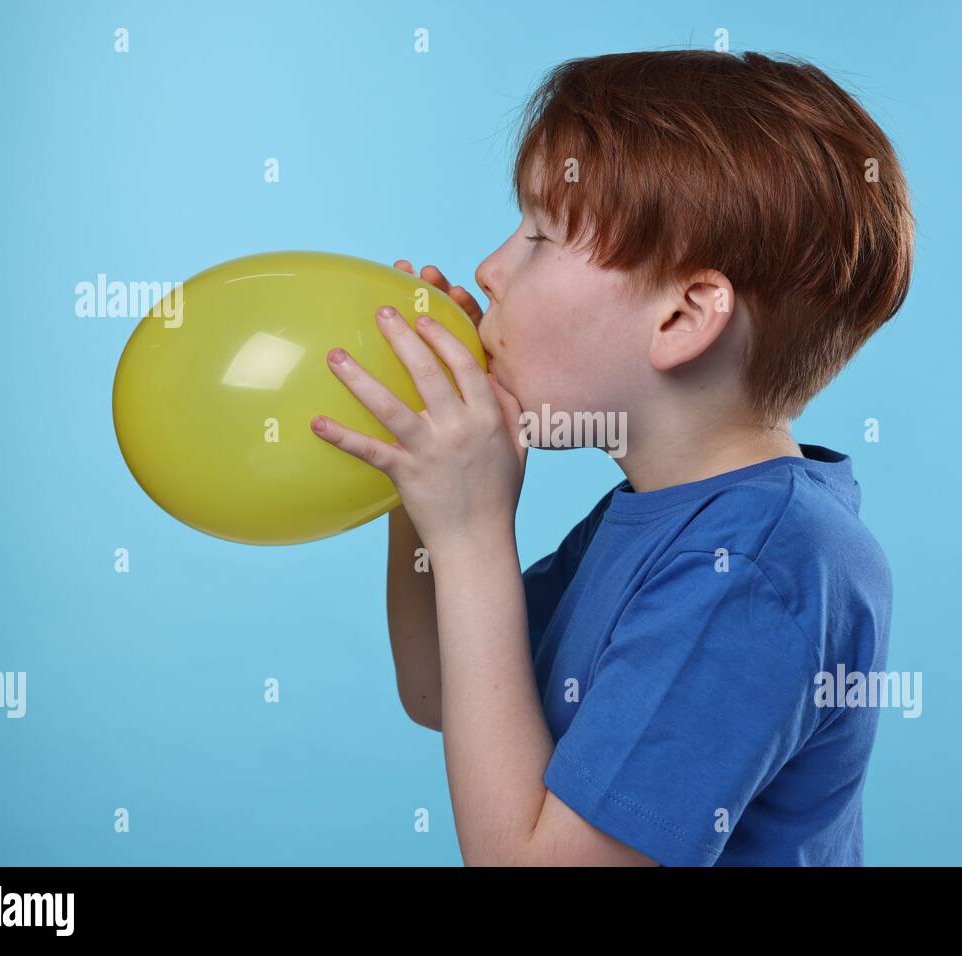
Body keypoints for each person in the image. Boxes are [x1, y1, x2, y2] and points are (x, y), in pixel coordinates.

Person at [311, 49, 914, 866]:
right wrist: (422, 490)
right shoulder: (656, 512)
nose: (490, 270)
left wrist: (471, 528)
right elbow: (442, 691)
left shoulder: (762, 561)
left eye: (540, 237)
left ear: (681, 317)